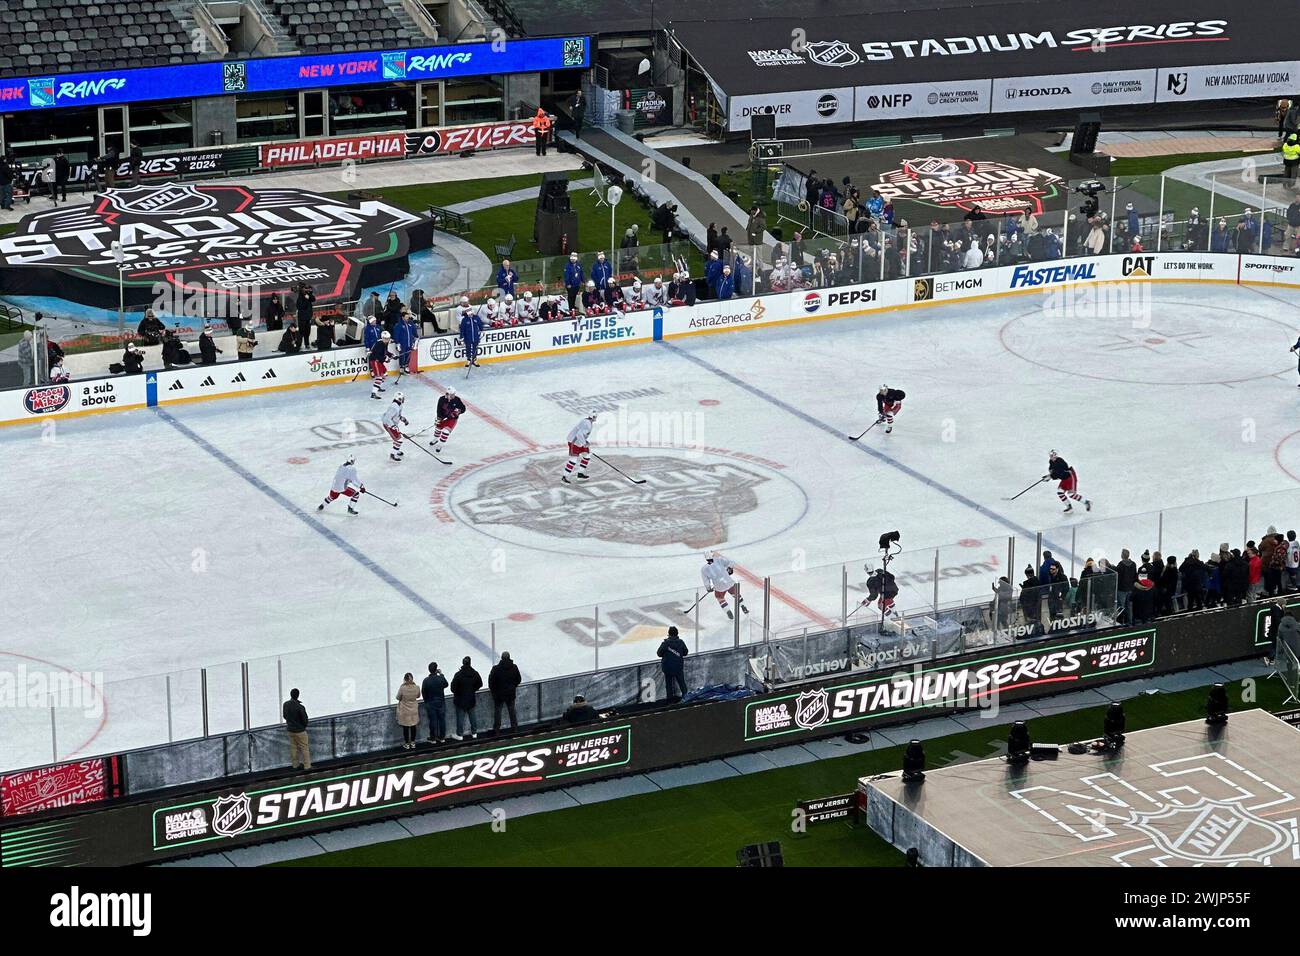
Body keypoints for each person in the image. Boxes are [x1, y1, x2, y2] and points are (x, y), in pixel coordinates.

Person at [701, 551, 748, 619]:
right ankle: (743, 606)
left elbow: (705, 580)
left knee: (719, 597)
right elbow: (731, 562)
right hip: (729, 582)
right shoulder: (719, 559)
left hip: (719, 587)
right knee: (736, 594)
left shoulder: (704, 569)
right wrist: (730, 568)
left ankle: (728, 611)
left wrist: (708, 588)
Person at [450, 656, 482, 740]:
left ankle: (460, 735)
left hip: (460, 700)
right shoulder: (474, 673)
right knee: (472, 716)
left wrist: (458, 692)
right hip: (471, 698)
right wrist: (472, 690)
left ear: (463, 663)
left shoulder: (458, 675)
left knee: (460, 718)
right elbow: (480, 684)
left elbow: (453, 688)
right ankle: (474, 733)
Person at [488, 652, 521, 733]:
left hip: (499, 695)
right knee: (512, 711)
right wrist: (512, 687)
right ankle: (514, 727)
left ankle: (497, 729)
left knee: (498, 712)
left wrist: (494, 691)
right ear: (509, 657)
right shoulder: (514, 667)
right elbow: (518, 679)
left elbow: (491, 682)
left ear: (501, 658)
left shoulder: (496, 669)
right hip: (510, 694)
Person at [657, 626, 689, 702]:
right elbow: (686, 652)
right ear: (677, 633)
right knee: (682, 684)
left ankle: (670, 702)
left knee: (669, 685)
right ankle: (686, 698)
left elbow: (659, 653)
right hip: (678, 667)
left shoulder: (665, 643)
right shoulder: (681, 642)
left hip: (667, 668)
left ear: (669, 634)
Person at [563, 412, 596, 483]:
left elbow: (581, 434)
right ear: (593, 417)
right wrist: (584, 443)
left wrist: (585, 442)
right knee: (573, 460)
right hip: (574, 442)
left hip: (579, 442)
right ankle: (564, 477)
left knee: (587, 456)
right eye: (595, 417)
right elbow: (579, 434)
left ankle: (580, 474)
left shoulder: (586, 421)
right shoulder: (588, 424)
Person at [283, 688, 311, 770]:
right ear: (298, 696)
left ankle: (295, 765)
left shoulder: (286, 704)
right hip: (300, 731)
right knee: (304, 748)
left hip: (290, 730)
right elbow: (305, 720)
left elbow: (285, 716)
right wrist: (303, 726)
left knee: (293, 748)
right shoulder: (300, 707)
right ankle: (307, 766)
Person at [421, 662, 448, 743]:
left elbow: (423, 692)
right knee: (442, 720)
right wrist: (441, 674)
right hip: (440, 702)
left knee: (433, 721)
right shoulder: (440, 678)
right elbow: (446, 684)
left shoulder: (426, 680)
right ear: (436, 670)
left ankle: (433, 738)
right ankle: (442, 737)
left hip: (430, 702)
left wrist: (426, 701)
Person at [394, 673, 421, 750]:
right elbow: (418, 696)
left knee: (405, 727)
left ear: (405, 679)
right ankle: (413, 743)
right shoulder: (417, 687)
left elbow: (398, 697)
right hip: (414, 710)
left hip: (405, 710)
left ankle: (407, 744)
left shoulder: (402, 688)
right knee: (413, 726)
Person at [381, 390, 408, 462]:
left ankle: (396, 450)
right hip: (388, 425)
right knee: (399, 440)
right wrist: (393, 426)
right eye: (402, 398)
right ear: (399, 399)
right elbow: (387, 419)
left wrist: (403, 419)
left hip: (393, 424)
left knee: (397, 438)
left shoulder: (399, 405)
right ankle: (392, 455)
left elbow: (397, 416)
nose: (403, 399)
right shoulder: (393, 407)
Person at [460, 299, 484, 368]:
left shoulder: (476, 318)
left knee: (475, 348)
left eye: (471, 313)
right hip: (468, 337)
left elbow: (480, 325)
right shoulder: (464, 320)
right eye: (469, 313)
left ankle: (474, 359)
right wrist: (461, 338)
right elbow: (462, 329)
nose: (470, 314)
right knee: (468, 348)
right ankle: (468, 359)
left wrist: (482, 331)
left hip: (476, 336)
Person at [393, 309, 418, 374]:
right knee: (402, 355)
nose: (408, 318)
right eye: (406, 317)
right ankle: (401, 367)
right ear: (403, 317)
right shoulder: (399, 325)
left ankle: (406, 366)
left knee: (408, 355)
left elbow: (414, 331)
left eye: (408, 317)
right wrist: (397, 343)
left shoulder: (410, 323)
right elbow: (396, 334)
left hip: (409, 342)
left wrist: (416, 338)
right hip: (402, 343)